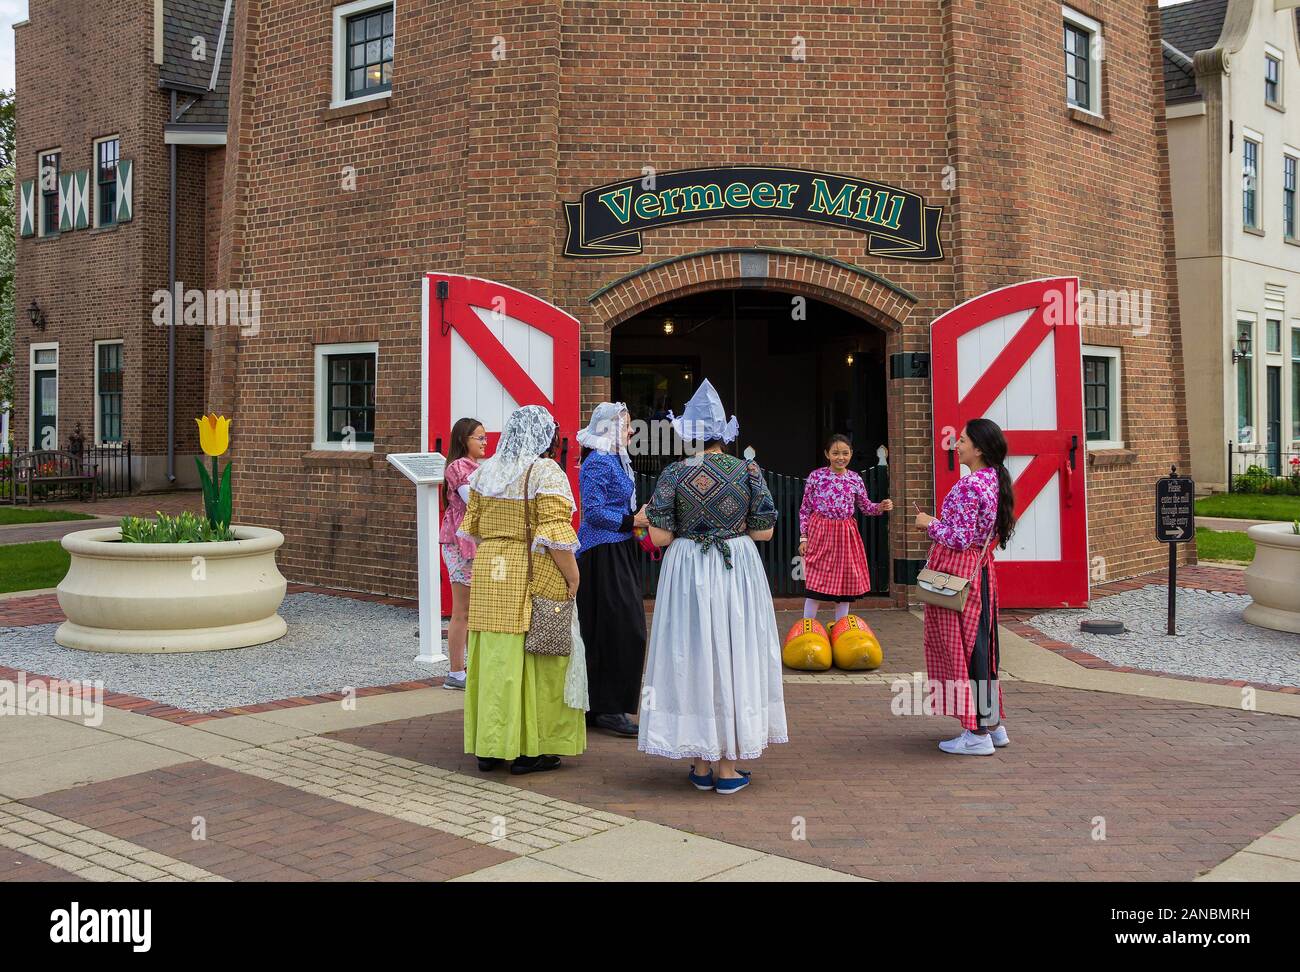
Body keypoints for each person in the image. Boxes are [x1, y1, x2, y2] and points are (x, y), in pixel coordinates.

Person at [638, 379, 787, 794]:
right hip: (735, 566)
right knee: (735, 651)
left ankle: (701, 763)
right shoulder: (748, 469)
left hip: (687, 567)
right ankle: (727, 767)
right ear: (724, 431)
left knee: (693, 653)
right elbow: (765, 533)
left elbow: (662, 538)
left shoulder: (673, 473)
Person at [458, 405, 586, 774]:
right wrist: (573, 577)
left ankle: (492, 746)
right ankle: (532, 748)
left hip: (489, 566)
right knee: (537, 655)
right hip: (530, 567)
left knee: (494, 655)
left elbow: (474, 525)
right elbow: (556, 534)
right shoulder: (543, 470)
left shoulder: (488, 470)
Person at [914, 418, 1017, 756]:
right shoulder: (996, 481)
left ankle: (975, 733)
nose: (956, 444)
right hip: (982, 571)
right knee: (982, 646)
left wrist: (929, 523)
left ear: (979, 448)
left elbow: (958, 538)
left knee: (961, 647)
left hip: (957, 574)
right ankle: (991, 723)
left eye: (962, 440)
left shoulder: (969, 485)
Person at [576, 402, 650, 738]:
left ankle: (602, 704)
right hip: (601, 552)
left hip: (618, 547)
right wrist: (632, 520)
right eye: (626, 425)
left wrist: (636, 527)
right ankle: (606, 707)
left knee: (616, 628)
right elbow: (592, 511)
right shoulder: (598, 463)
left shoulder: (614, 460)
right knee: (620, 629)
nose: (631, 431)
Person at [798, 434, 894, 623]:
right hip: (820, 532)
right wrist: (804, 537)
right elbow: (805, 508)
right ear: (827, 454)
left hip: (846, 534)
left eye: (845, 453)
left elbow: (866, 507)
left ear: (850, 454)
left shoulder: (855, 479)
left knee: (844, 583)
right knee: (816, 582)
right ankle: (806, 627)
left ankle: (841, 630)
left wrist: (880, 506)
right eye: (835, 453)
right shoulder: (816, 477)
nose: (840, 457)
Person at [439, 417, 487, 690]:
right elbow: (475, 502)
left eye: (484, 437)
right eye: (478, 437)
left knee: (472, 610)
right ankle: (456, 672)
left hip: (472, 544)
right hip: (460, 545)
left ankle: (469, 666)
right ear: (463, 440)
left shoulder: (475, 467)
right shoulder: (459, 467)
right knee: (462, 610)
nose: (484, 442)